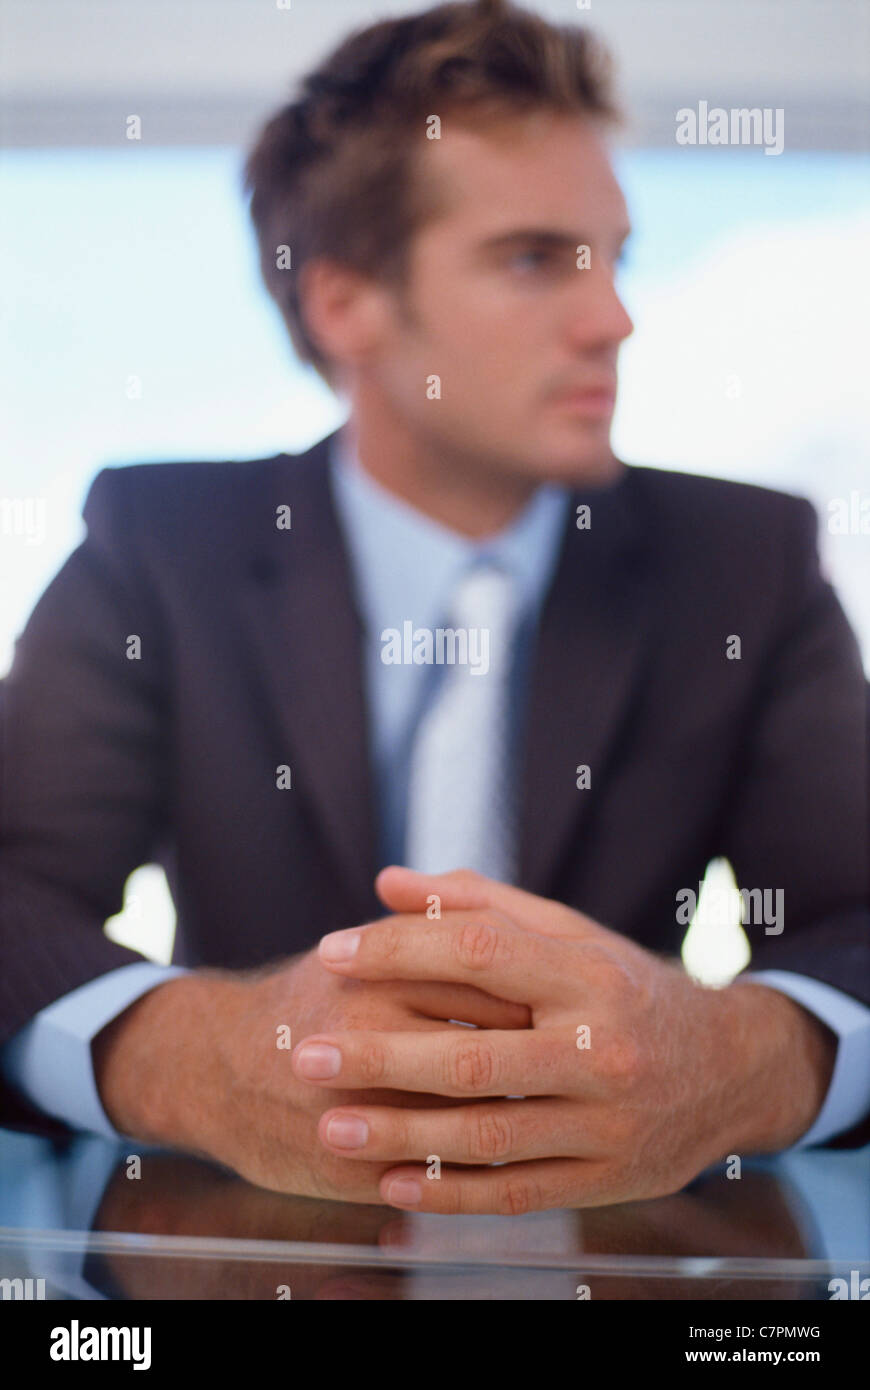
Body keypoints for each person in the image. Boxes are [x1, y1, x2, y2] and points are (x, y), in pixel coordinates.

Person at [1, 0, 867, 1216]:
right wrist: (194, 1057)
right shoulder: (160, 543)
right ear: (346, 302)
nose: (614, 317)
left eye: (617, 255)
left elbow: (858, 913)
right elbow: (16, 888)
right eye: (533, 258)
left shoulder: (748, 560)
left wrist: (741, 1062)